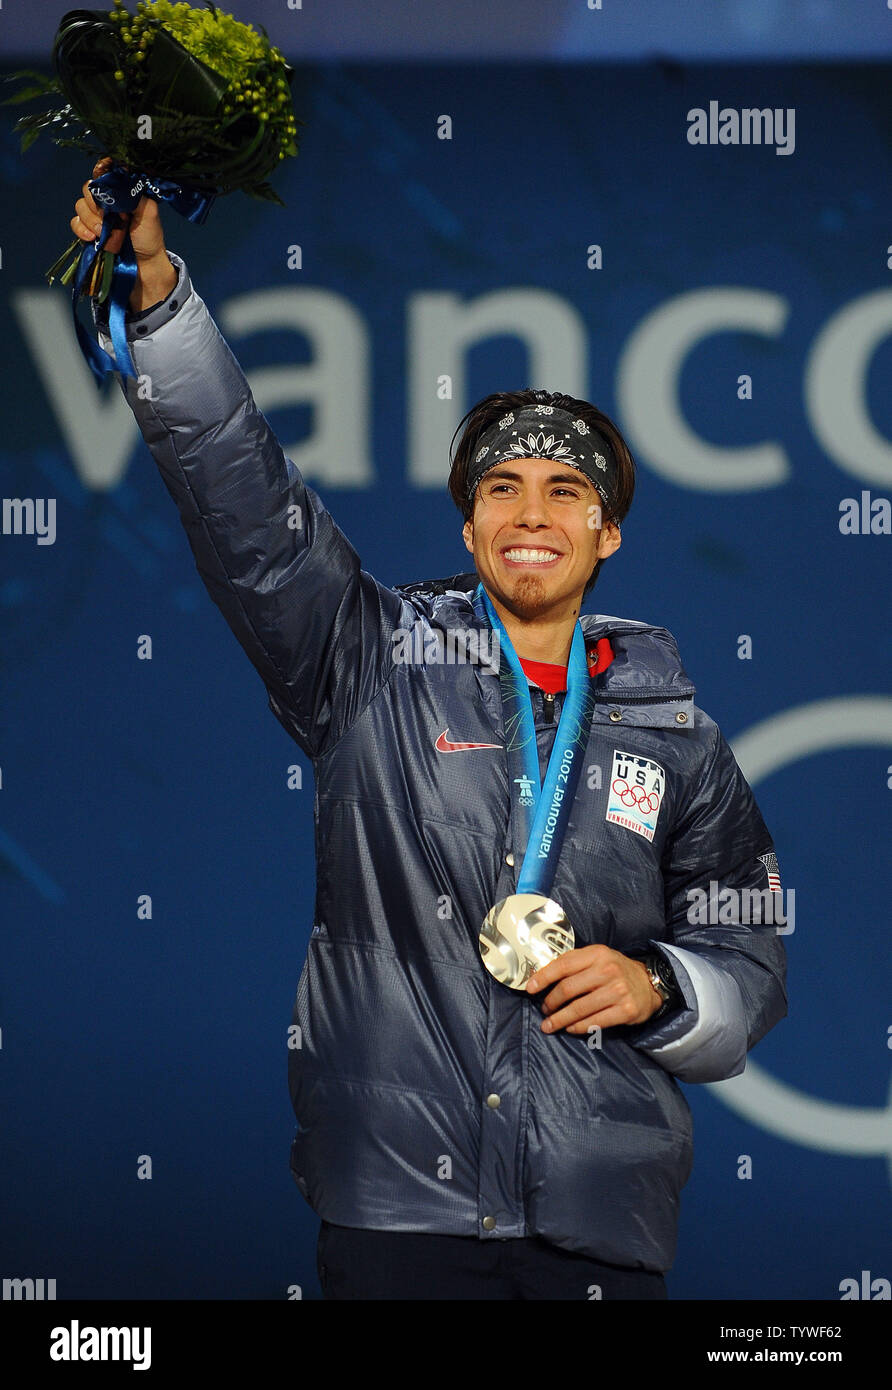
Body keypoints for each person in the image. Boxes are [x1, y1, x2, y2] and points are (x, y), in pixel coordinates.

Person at [70, 161, 787, 1301]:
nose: (533, 513)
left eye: (566, 491)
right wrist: (159, 296)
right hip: (400, 1206)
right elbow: (247, 506)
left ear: (608, 536)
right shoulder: (367, 660)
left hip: (599, 1219)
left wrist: (661, 984)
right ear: (468, 521)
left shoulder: (675, 729)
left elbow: (751, 942)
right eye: (502, 487)